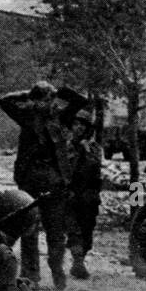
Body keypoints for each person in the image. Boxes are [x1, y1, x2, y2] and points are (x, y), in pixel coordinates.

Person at [0, 81, 88, 291]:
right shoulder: (26, 117)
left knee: (56, 231)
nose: (46, 104)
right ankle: (31, 278)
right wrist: (26, 93)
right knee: (29, 229)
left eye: (49, 99)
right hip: (29, 179)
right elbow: (4, 101)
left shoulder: (61, 117)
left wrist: (61, 89)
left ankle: (57, 270)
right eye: (41, 99)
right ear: (35, 100)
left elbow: (80, 100)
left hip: (55, 181)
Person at [65, 108, 103, 279]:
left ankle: (80, 259)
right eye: (75, 124)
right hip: (71, 196)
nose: (78, 128)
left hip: (89, 196)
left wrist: (85, 151)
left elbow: (94, 166)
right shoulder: (66, 147)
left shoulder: (94, 148)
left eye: (82, 125)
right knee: (74, 230)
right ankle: (78, 261)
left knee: (87, 230)